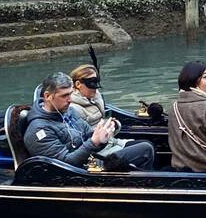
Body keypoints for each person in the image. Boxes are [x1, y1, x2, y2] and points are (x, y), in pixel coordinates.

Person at [23, 73, 155, 171]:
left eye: (70, 94)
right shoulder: (38, 131)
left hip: (91, 158)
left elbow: (89, 133)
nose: (70, 100)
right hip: (79, 171)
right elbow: (65, 163)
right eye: (64, 96)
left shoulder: (69, 111)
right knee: (145, 150)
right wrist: (94, 142)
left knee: (146, 144)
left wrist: (105, 132)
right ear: (47, 96)